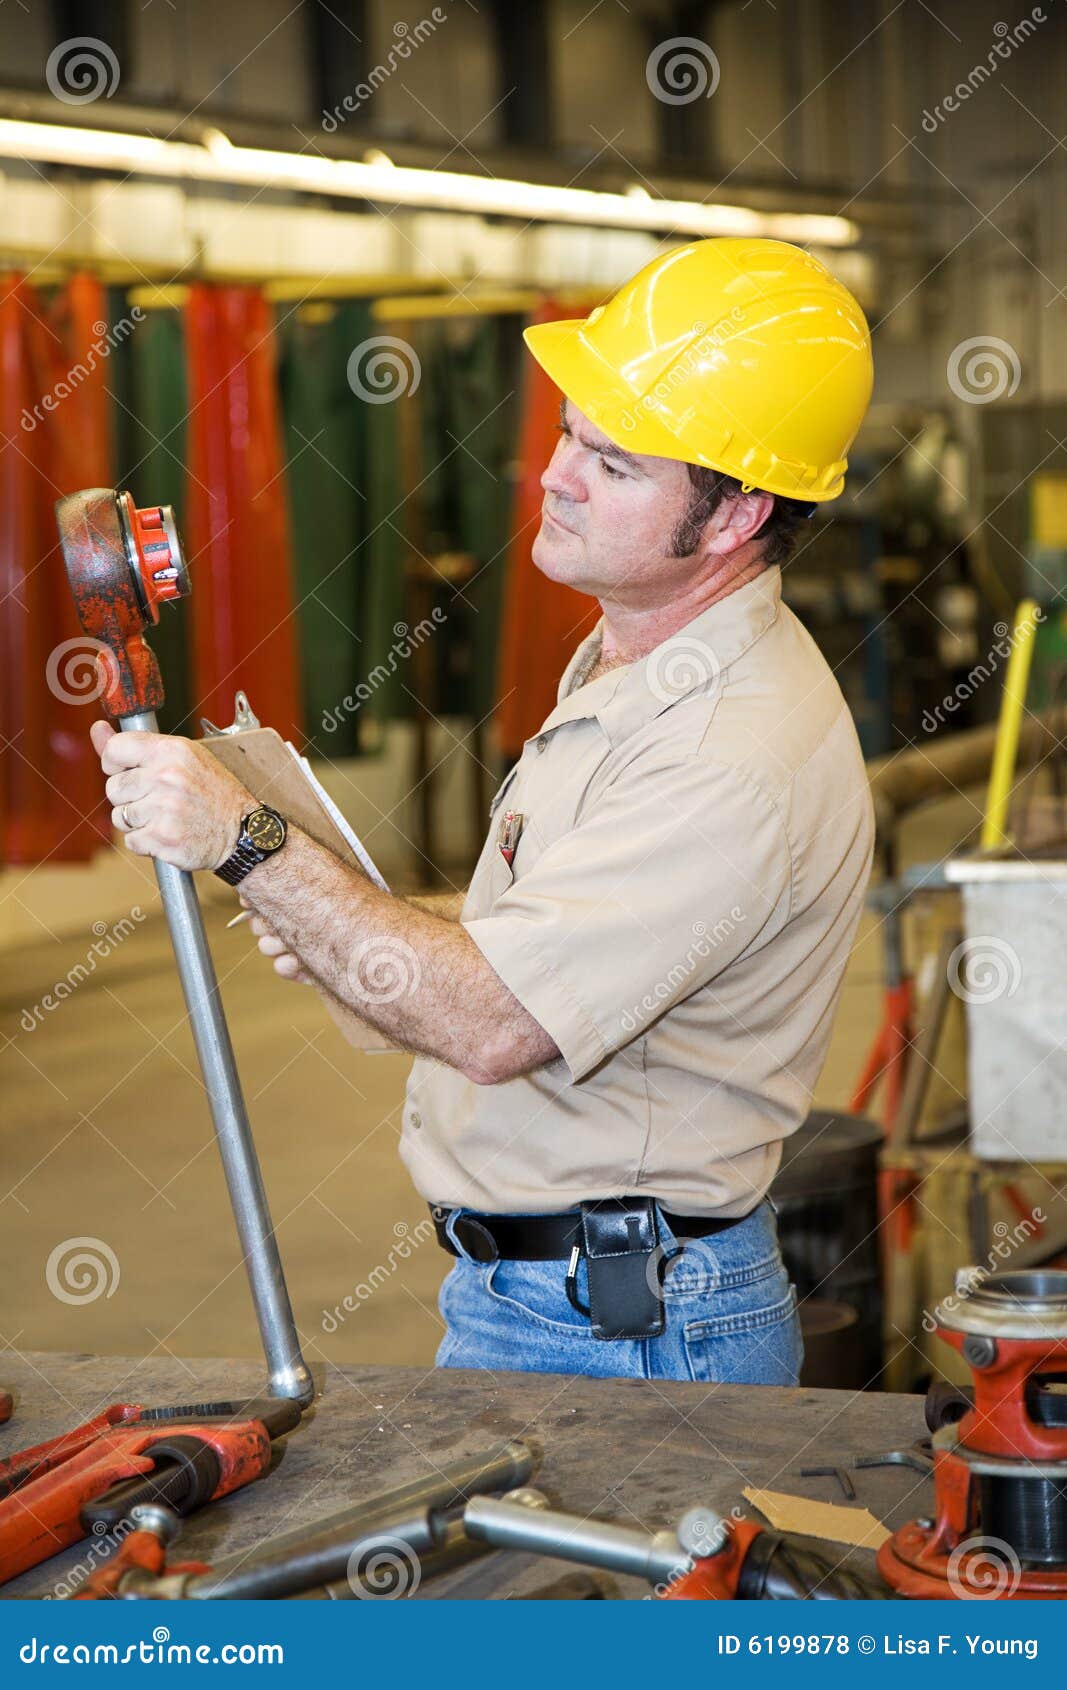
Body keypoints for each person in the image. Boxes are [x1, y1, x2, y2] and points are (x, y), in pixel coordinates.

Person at [90, 237, 875, 1386]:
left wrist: (248, 840)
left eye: (612, 465)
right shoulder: (631, 662)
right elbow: (547, 929)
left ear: (732, 517)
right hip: (564, 1296)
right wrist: (344, 917)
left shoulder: (724, 750)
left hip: (628, 1328)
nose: (553, 475)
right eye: (567, 432)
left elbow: (497, 1022)